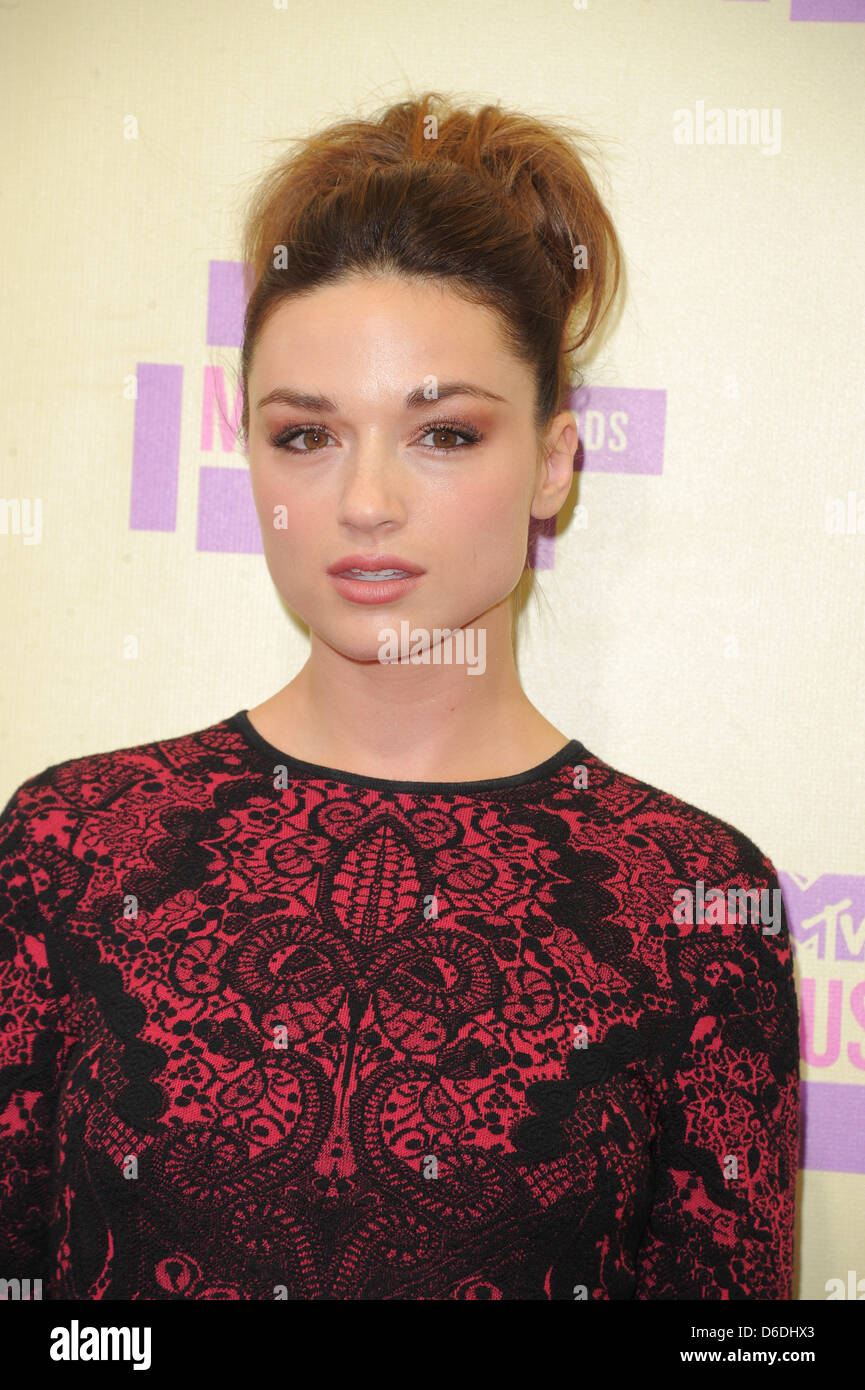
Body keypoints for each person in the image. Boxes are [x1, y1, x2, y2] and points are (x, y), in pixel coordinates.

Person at [0, 90, 799, 1300]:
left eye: (444, 435)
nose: (365, 500)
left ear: (554, 460)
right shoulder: (71, 847)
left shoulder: (694, 902)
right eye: (308, 436)